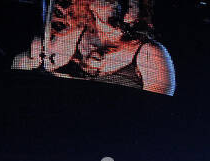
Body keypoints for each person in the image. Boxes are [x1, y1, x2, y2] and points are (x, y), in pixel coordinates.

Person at [12, 0, 176, 96]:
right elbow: (17, 72)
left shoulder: (151, 53)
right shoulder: (70, 36)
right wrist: (30, 58)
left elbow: (157, 113)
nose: (118, 4)